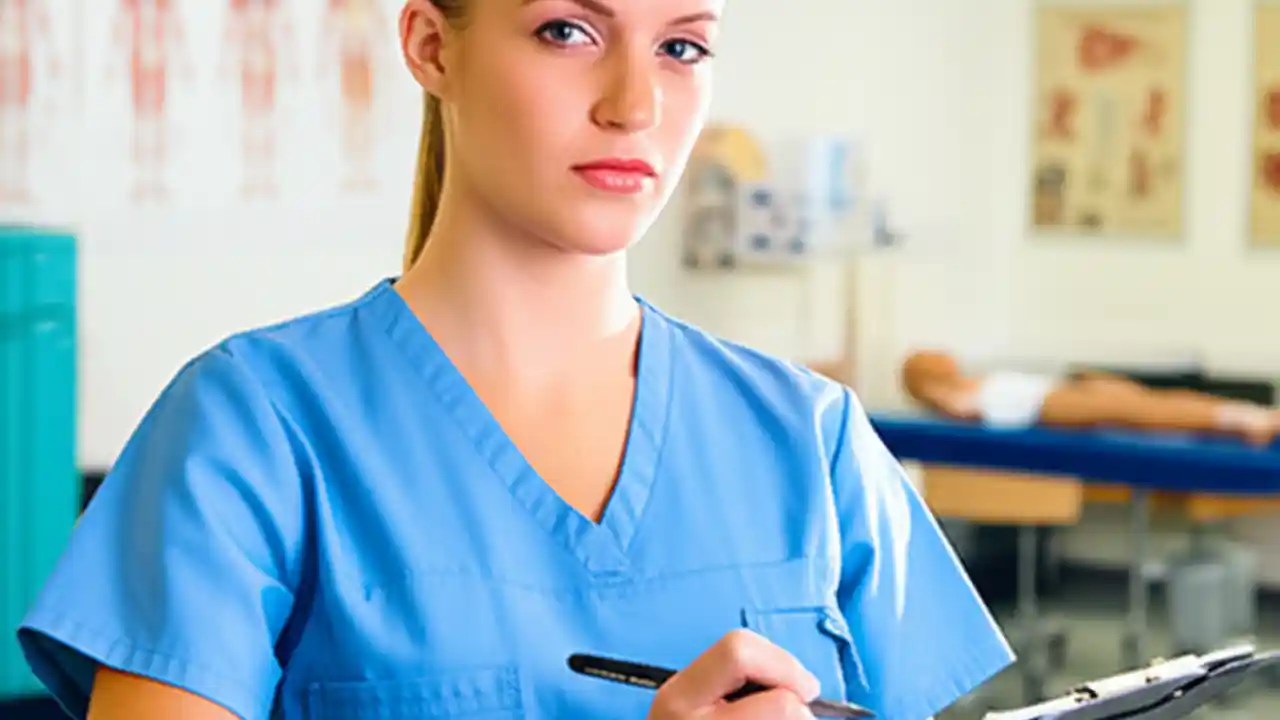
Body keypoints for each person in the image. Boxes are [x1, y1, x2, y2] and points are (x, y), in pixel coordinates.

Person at [17, 2, 1014, 719]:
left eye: (679, 46)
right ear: (428, 44)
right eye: (566, 32)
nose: (633, 105)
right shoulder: (251, 427)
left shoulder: (808, 438)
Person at [902, 349, 1280, 447]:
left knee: (1151, 401)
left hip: (1057, 391)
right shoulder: (951, 396)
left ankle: (1245, 415)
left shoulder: (972, 381)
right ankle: (1245, 422)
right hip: (1045, 408)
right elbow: (961, 411)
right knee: (1143, 411)